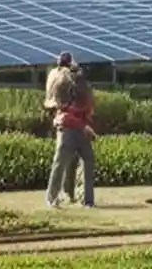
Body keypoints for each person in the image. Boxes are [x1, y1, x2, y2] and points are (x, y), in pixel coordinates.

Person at [46, 68, 96, 208]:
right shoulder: (64, 85)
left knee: (85, 159)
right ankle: (54, 197)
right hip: (69, 129)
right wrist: (85, 126)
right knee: (61, 162)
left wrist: (86, 125)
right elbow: (67, 114)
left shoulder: (77, 88)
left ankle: (86, 199)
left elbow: (85, 112)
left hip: (73, 128)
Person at [44, 52, 83, 203]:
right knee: (61, 159)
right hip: (66, 118)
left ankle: (67, 192)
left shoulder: (53, 73)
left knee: (69, 158)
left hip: (56, 116)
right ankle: (52, 196)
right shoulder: (67, 75)